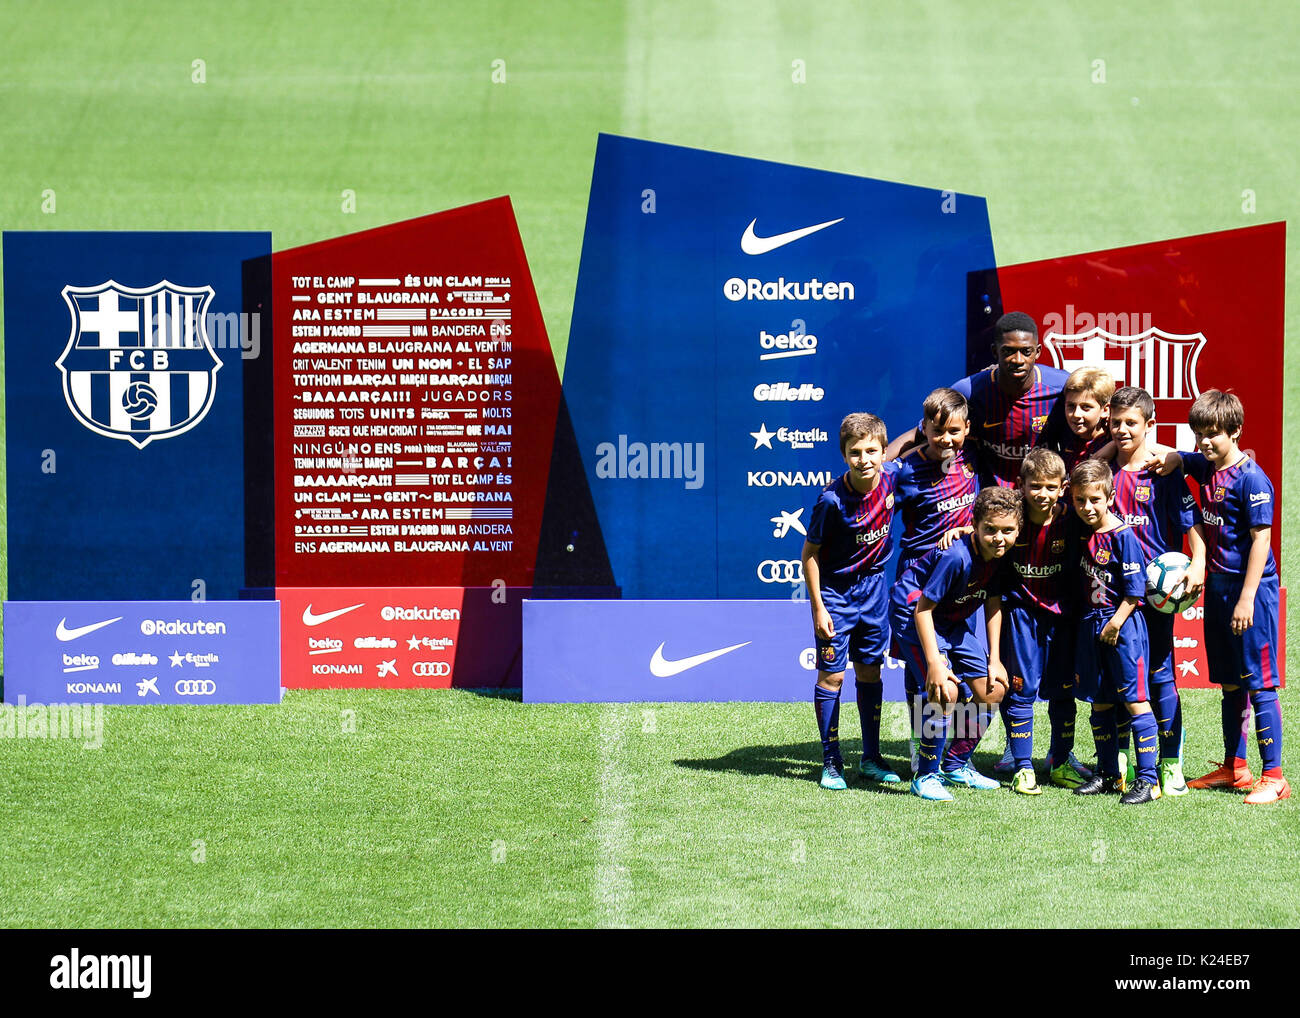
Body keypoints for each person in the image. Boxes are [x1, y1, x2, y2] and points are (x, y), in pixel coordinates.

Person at [1162, 390, 1288, 804]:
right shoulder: (1207, 464)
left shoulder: (1251, 478)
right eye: (1199, 433)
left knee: (1260, 683)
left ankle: (1274, 776)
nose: (1204, 442)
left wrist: (1248, 597)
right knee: (1231, 683)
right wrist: (1173, 458)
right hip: (1216, 589)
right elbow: (1181, 458)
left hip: (1250, 591)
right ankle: (1234, 768)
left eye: (1213, 434)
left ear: (1235, 431)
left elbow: (1261, 541)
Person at [890, 487, 1020, 801]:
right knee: (943, 691)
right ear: (974, 525)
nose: (998, 538)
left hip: (950, 620)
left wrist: (995, 659)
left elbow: (992, 603)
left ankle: (955, 764)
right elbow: (923, 609)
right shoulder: (955, 556)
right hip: (914, 614)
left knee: (995, 689)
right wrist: (935, 663)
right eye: (989, 530)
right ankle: (925, 775)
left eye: (1007, 530)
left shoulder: (1002, 557)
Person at [1109, 386, 1206, 797]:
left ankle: (1170, 763)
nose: (1122, 430)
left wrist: (1198, 562)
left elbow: (1192, 527)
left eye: (1131, 423)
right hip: (1113, 592)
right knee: (1116, 677)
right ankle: (1118, 761)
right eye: (1115, 422)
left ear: (1150, 426)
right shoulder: (1102, 472)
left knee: (1160, 674)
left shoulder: (1164, 474)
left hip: (1156, 597)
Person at [802, 413, 901, 790]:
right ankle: (831, 762)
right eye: (855, 452)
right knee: (833, 676)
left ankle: (871, 757)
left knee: (870, 672)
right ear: (844, 455)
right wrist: (818, 608)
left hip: (875, 591)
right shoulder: (830, 500)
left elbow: (920, 447)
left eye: (872, 450)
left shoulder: (894, 477)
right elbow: (809, 554)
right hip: (837, 596)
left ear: (882, 451)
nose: (865, 459)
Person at [984, 448, 1090, 794]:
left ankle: (1060, 762)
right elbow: (978, 524)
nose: (1042, 494)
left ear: (1063, 488)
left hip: (1063, 620)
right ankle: (1023, 766)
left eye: (1050, 487)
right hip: (1021, 617)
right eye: (1035, 486)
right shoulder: (1010, 520)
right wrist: (956, 533)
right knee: (1021, 691)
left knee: (1063, 693)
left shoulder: (1072, 518)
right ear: (1021, 485)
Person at [885, 312, 1069, 488]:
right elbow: (920, 434)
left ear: (1037, 352)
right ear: (994, 352)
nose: (1018, 360)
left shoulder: (1061, 387)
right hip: (991, 503)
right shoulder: (969, 391)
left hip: (1040, 498)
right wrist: (878, 465)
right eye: (1008, 351)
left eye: (1026, 351)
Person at [1069, 460, 1160, 804]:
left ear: (1108, 497)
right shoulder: (1082, 532)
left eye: (1095, 499)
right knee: (1101, 702)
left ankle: (1148, 780)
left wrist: (1115, 623)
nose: (1087, 507)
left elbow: (1135, 592)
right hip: (1092, 626)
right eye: (1080, 500)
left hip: (1121, 628)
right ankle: (1108, 775)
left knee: (1135, 703)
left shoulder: (1124, 537)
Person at [1037, 366, 1115, 475]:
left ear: (1105, 410)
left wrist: (1116, 444)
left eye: (1086, 407)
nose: (1076, 414)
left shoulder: (1114, 447)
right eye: (1071, 406)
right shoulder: (1067, 436)